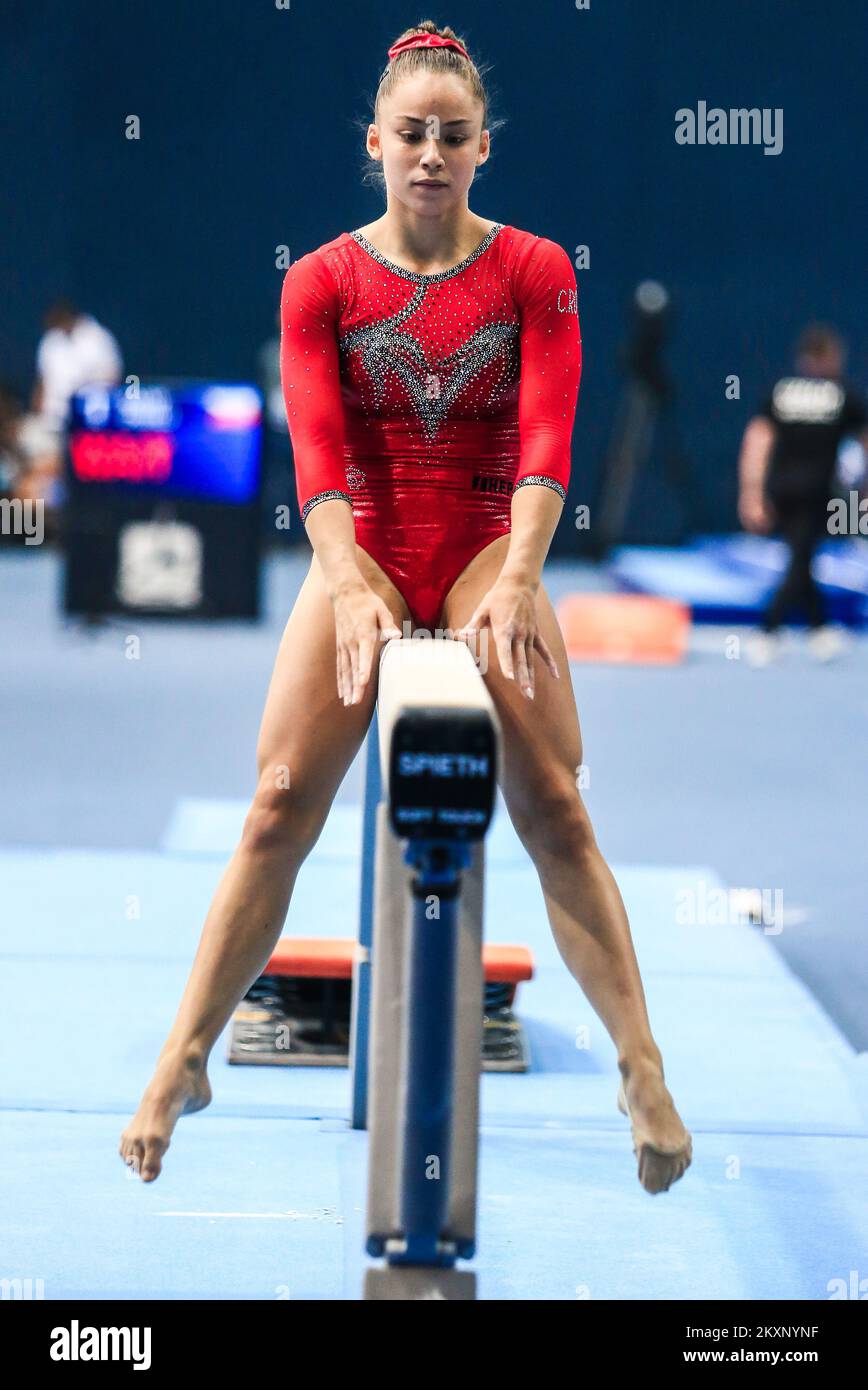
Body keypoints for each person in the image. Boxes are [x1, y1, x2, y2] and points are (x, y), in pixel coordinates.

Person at [120, 20, 692, 1196]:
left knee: (556, 804)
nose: (430, 154)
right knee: (277, 800)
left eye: (453, 135)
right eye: (411, 134)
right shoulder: (319, 281)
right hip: (364, 544)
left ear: (484, 147)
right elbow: (318, 463)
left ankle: (641, 1068)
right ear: (375, 142)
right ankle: (183, 1056)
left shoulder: (535, 271)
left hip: (490, 545)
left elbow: (545, 442)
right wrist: (345, 579)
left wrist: (524, 577)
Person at [738, 324, 868, 664]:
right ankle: (768, 629)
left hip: (782, 490)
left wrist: (751, 492)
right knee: (800, 558)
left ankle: (818, 627)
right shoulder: (843, 395)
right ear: (828, 357)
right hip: (816, 491)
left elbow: (758, 441)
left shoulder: (780, 391)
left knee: (802, 556)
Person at [32, 297, 123, 432]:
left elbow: (113, 376)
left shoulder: (98, 337)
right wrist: (37, 410)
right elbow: (42, 380)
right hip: (54, 417)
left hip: (90, 415)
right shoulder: (50, 341)